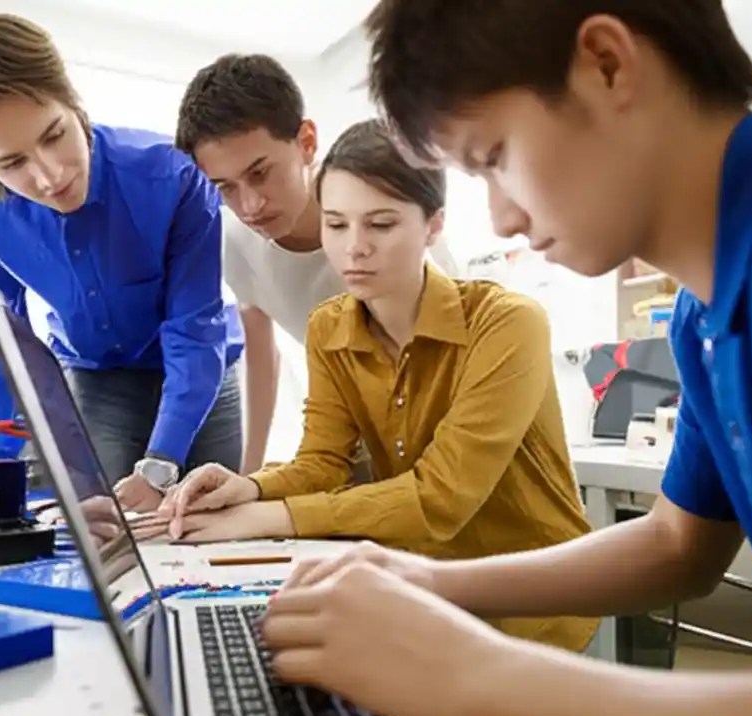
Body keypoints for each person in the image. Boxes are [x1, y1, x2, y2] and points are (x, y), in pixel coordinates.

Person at [257, 1, 752, 716]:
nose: (502, 218)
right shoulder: (702, 315)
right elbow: (678, 545)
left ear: (607, 66)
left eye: (496, 159)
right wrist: (428, 584)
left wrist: (482, 674)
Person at [160, 119, 598, 653]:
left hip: (533, 604)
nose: (354, 249)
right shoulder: (328, 327)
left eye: (381, 224)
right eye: (337, 225)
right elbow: (323, 461)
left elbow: (441, 498)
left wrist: (266, 516)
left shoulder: (507, 323)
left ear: (433, 226)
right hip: (420, 587)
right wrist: (248, 486)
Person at [0, 14, 244, 515]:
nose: (49, 176)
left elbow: (193, 329)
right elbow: (1, 344)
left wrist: (161, 464)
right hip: (97, 376)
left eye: (55, 136)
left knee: (207, 524)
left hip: (205, 371)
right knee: (103, 527)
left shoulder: (173, 176)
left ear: (74, 103)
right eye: (12, 164)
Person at [175, 54, 459, 474]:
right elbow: (260, 355)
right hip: (359, 429)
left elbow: (453, 338)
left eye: (260, 173)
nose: (250, 206)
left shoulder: (375, 196)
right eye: (225, 187)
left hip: (443, 416)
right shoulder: (235, 240)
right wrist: (249, 471)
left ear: (306, 142)